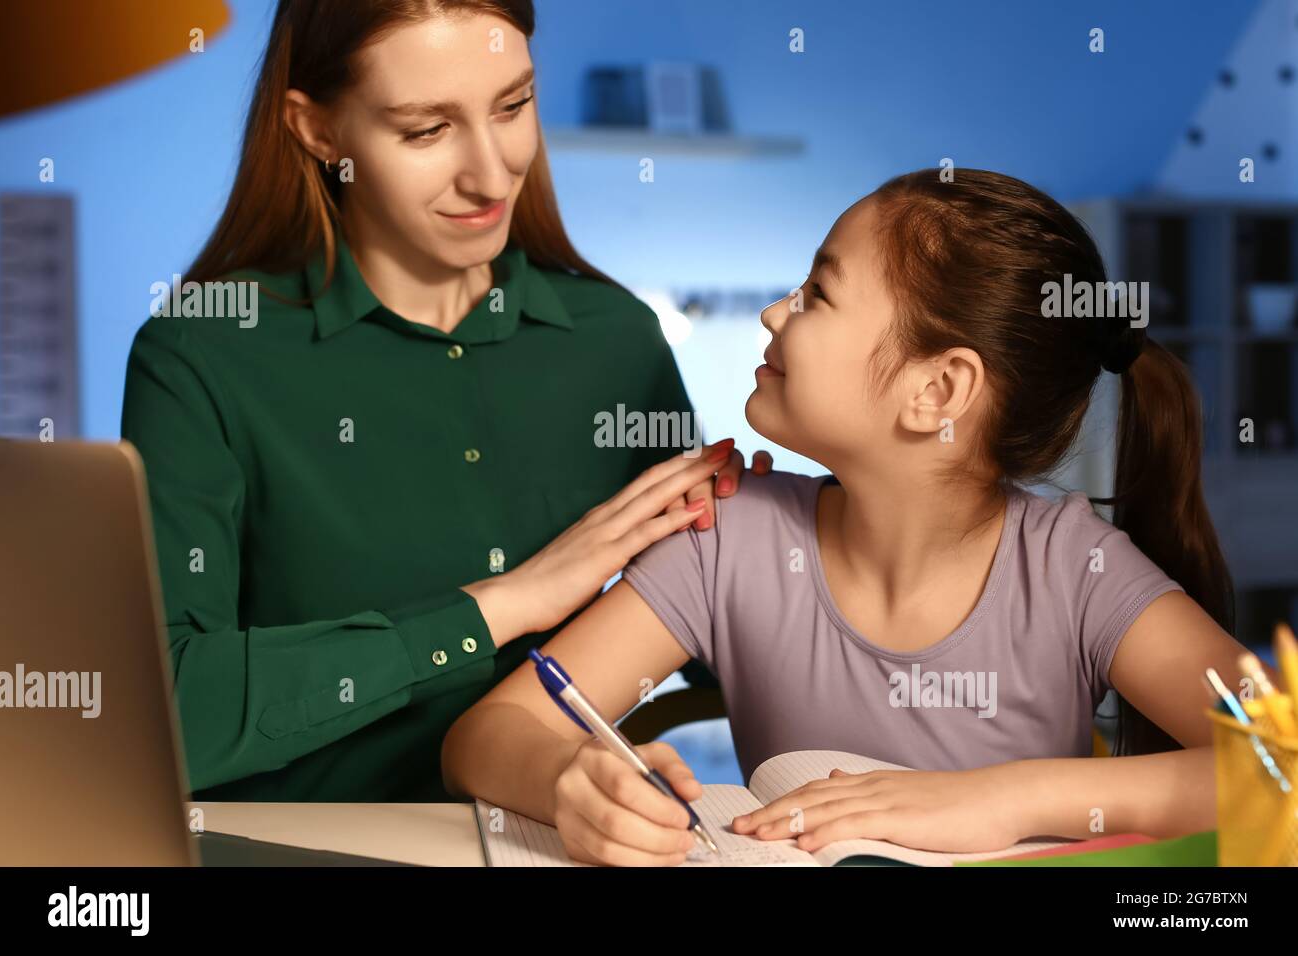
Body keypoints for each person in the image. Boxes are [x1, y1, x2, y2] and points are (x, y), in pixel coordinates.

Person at [443, 168, 1261, 865]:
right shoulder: (732, 540)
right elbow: (486, 735)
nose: (774, 313)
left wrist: (997, 800)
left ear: (935, 392)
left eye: (817, 294)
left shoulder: (1074, 568)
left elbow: (1278, 765)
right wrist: (568, 780)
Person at [121, 0, 766, 802]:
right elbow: (166, 713)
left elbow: (717, 637)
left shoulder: (617, 342)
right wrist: (501, 606)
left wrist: (817, 526)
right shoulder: (205, 349)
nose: (492, 175)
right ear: (318, 130)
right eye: (426, 130)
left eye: (513, 106)